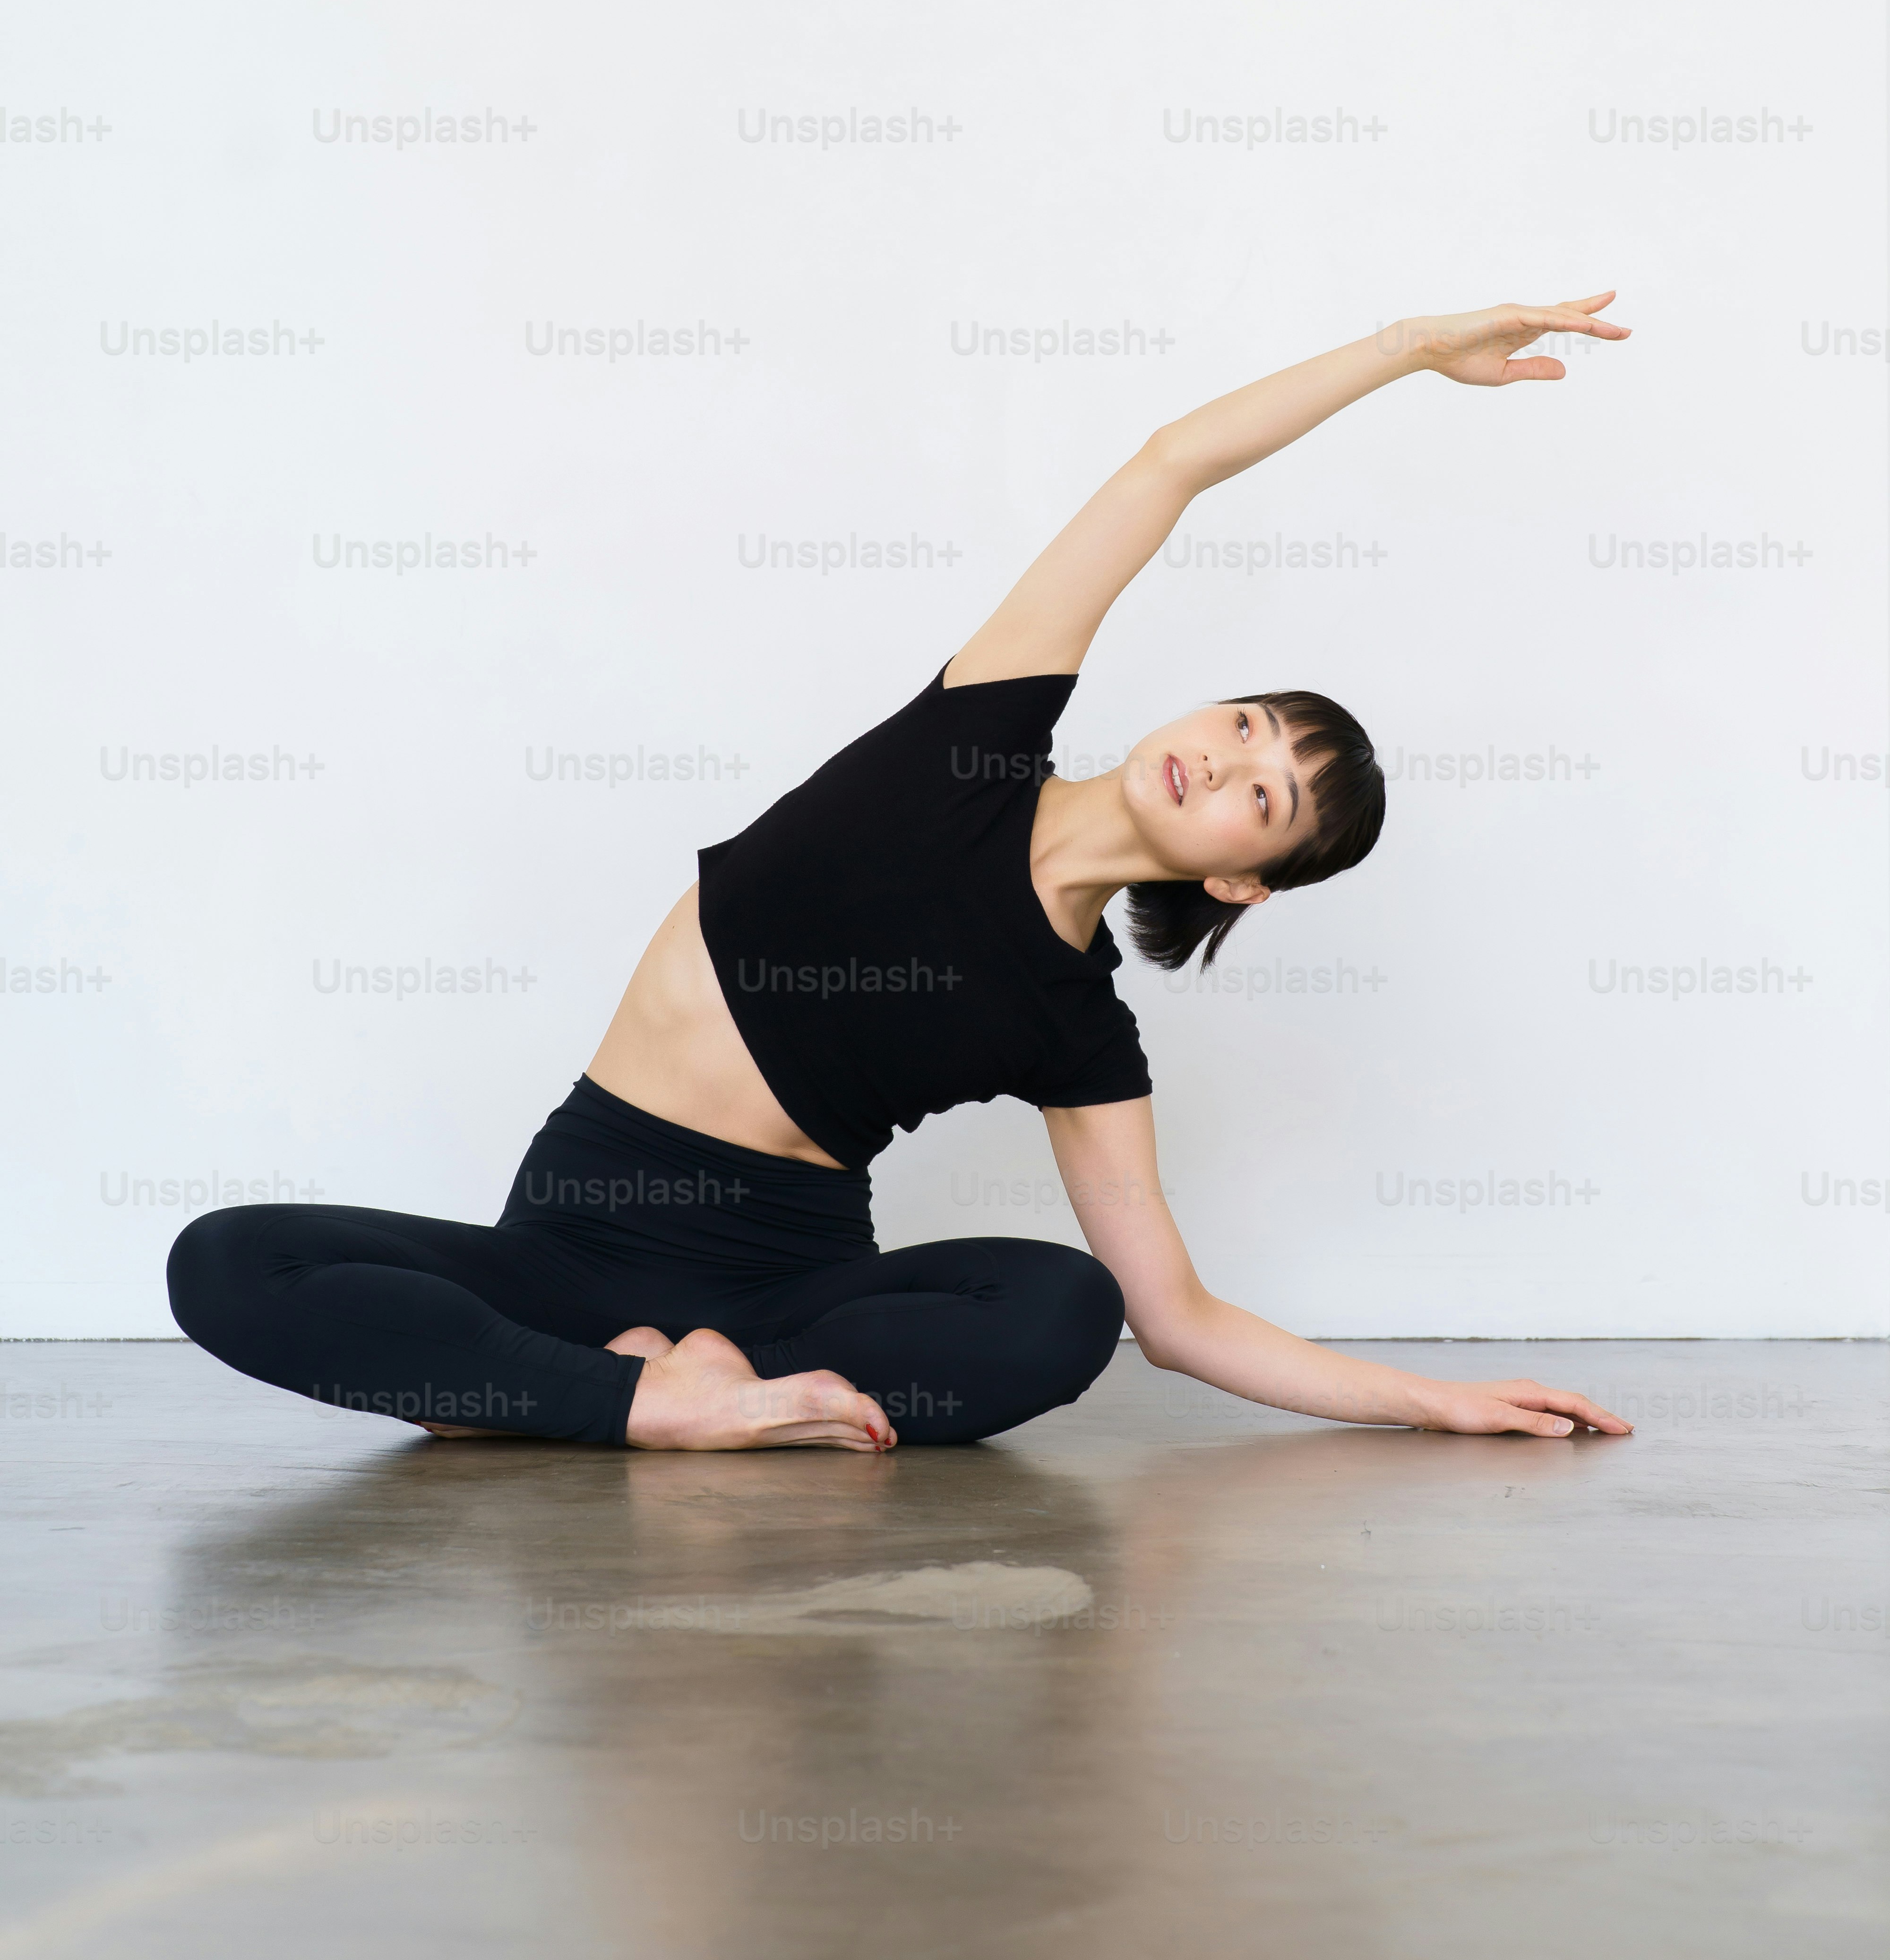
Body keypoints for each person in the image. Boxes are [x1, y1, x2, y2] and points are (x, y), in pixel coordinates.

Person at [168, 298, 1632, 1453]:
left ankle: (586, 1400)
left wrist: (1431, 1400)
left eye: (1267, 797)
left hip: (785, 1286)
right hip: (572, 1237)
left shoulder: (1080, 1026)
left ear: (1249, 880)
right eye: (1246, 724)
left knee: (1063, 1306)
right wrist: (1402, 351)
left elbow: (1173, 1322)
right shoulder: (979, 733)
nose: (1228, 759)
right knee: (226, 1262)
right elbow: (1170, 465)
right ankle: (652, 1403)